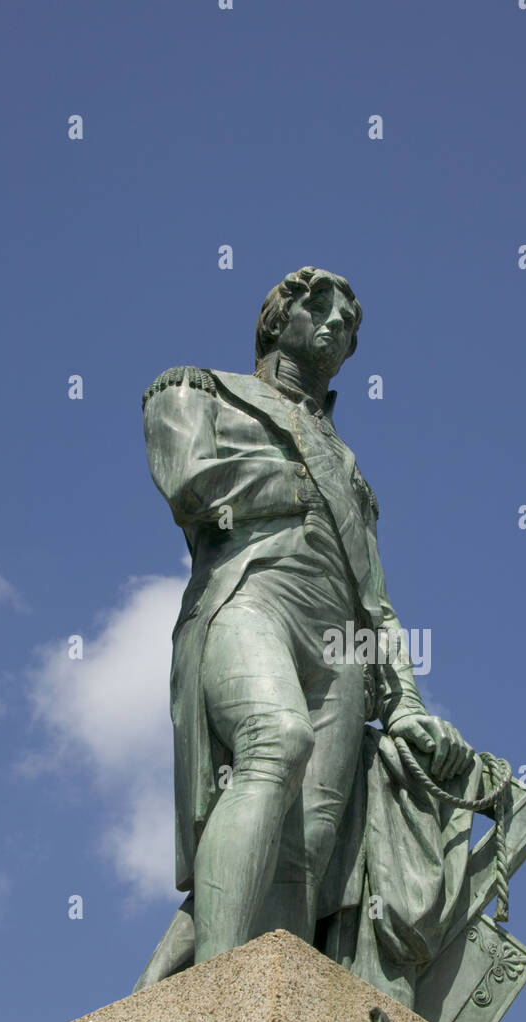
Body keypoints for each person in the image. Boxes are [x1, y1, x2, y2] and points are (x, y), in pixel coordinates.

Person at [136, 267, 474, 984]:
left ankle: (206, 994)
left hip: (342, 646)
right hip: (252, 594)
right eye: (317, 306)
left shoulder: (351, 473)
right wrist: (304, 479)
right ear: (273, 318)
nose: (334, 323)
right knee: (274, 739)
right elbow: (191, 481)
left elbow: (375, 599)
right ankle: (215, 988)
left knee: (307, 850)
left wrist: (406, 703)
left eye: (348, 320)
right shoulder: (196, 389)